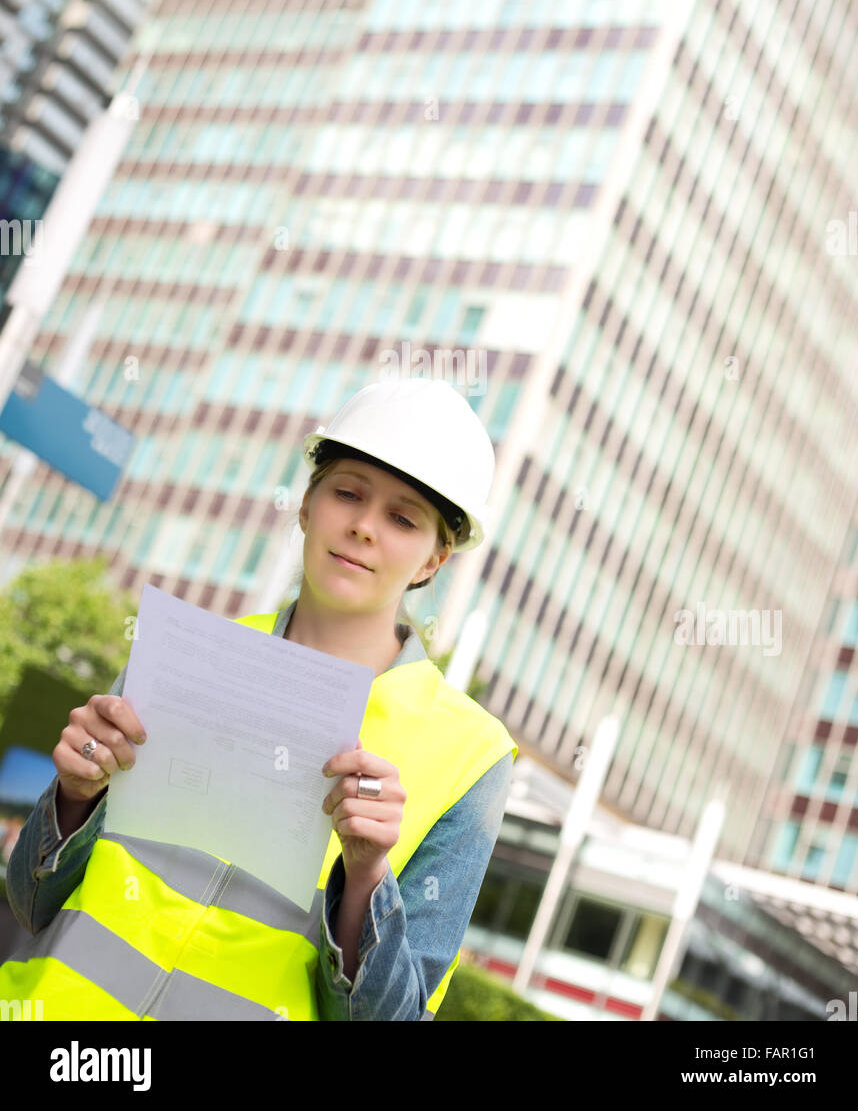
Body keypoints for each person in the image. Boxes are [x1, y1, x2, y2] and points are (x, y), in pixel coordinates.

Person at [0, 377, 518, 1020]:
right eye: (347, 493)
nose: (362, 527)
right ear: (307, 506)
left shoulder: (470, 754)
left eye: (402, 518)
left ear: (433, 560)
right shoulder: (182, 655)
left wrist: (365, 880)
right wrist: (74, 798)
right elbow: (28, 900)